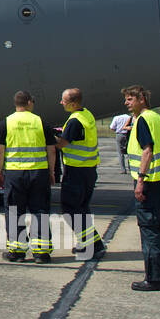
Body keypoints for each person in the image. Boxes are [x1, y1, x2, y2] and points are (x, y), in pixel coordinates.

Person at [123, 85, 160, 291]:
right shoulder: (155, 118)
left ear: (142, 99)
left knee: (149, 229)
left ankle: (154, 278)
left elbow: (147, 150)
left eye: (130, 99)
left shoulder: (143, 120)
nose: (126, 103)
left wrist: (140, 180)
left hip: (148, 180)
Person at [0, 91, 57, 263]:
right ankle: (41, 253)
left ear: (16, 104)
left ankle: (17, 251)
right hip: (39, 172)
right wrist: (51, 172)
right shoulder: (40, 122)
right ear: (29, 102)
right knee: (40, 210)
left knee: (15, 211)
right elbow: (51, 149)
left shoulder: (6, 122)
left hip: (15, 174)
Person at [55, 87, 106, 260]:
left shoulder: (75, 120)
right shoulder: (87, 115)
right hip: (89, 170)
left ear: (74, 103)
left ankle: (92, 245)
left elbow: (62, 144)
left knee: (70, 209)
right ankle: (92, 243)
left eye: (64, 100)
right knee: (81, 208)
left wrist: (49, 136)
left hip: (76, 171)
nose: (61, 103)